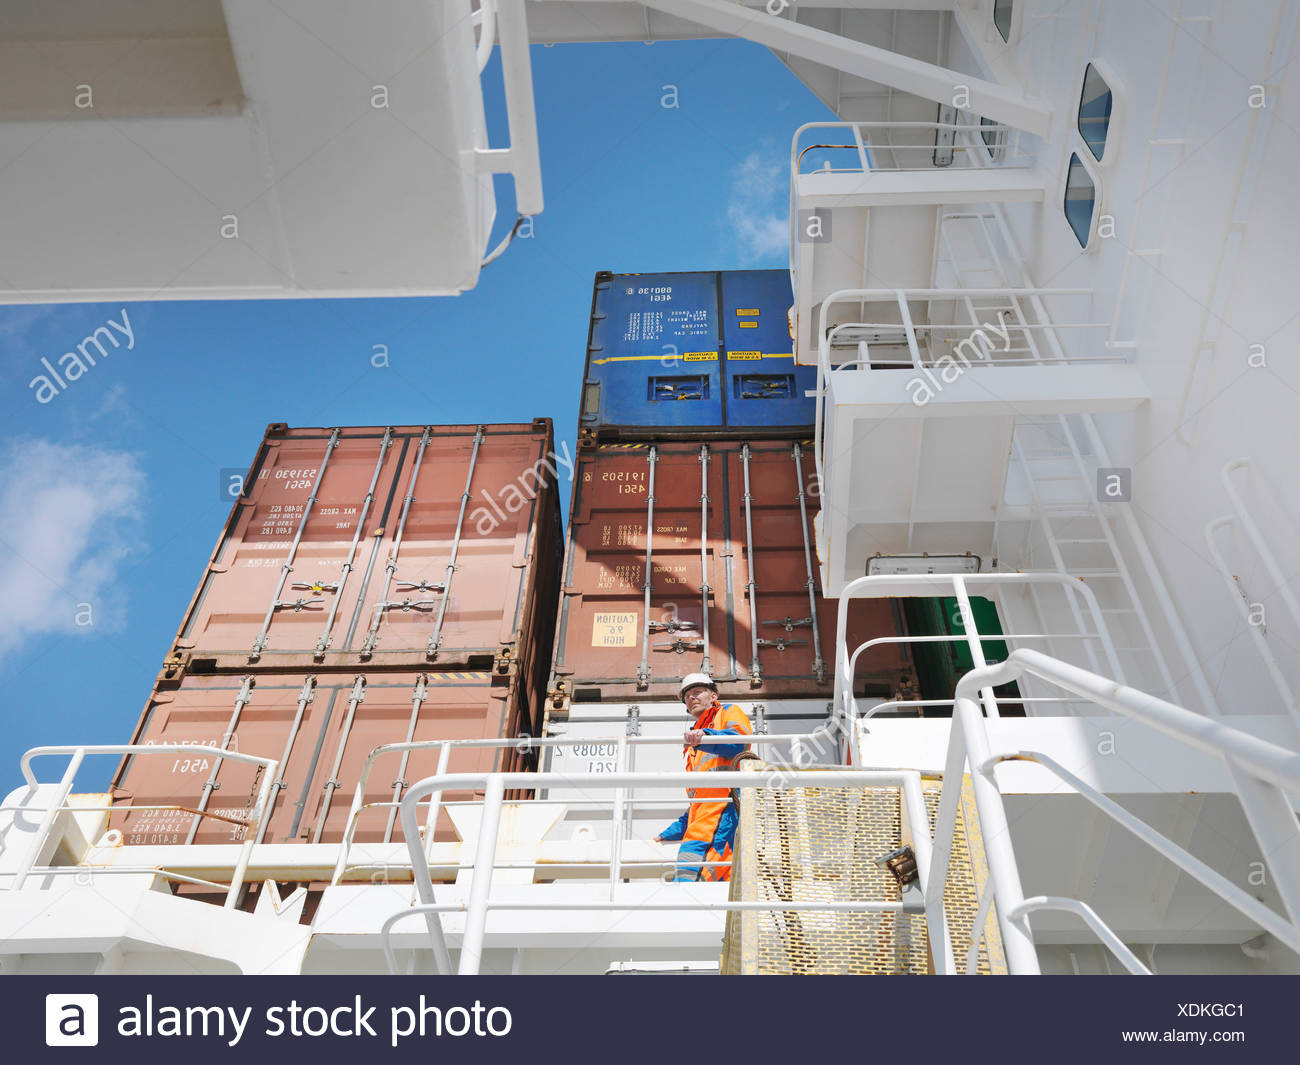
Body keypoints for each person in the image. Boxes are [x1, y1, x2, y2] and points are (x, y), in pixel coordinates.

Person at [654, 673, 752, 882]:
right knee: (720, 879)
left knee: (691, 871)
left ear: (713, 696)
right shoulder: (694, 742)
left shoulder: (727, 713)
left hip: (723, 810)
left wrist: (705, 738)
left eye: (697, 692)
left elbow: (739, 742)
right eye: (687, 696)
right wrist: (672, 831)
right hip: (706, 816)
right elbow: (698, 799)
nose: (691, 698)